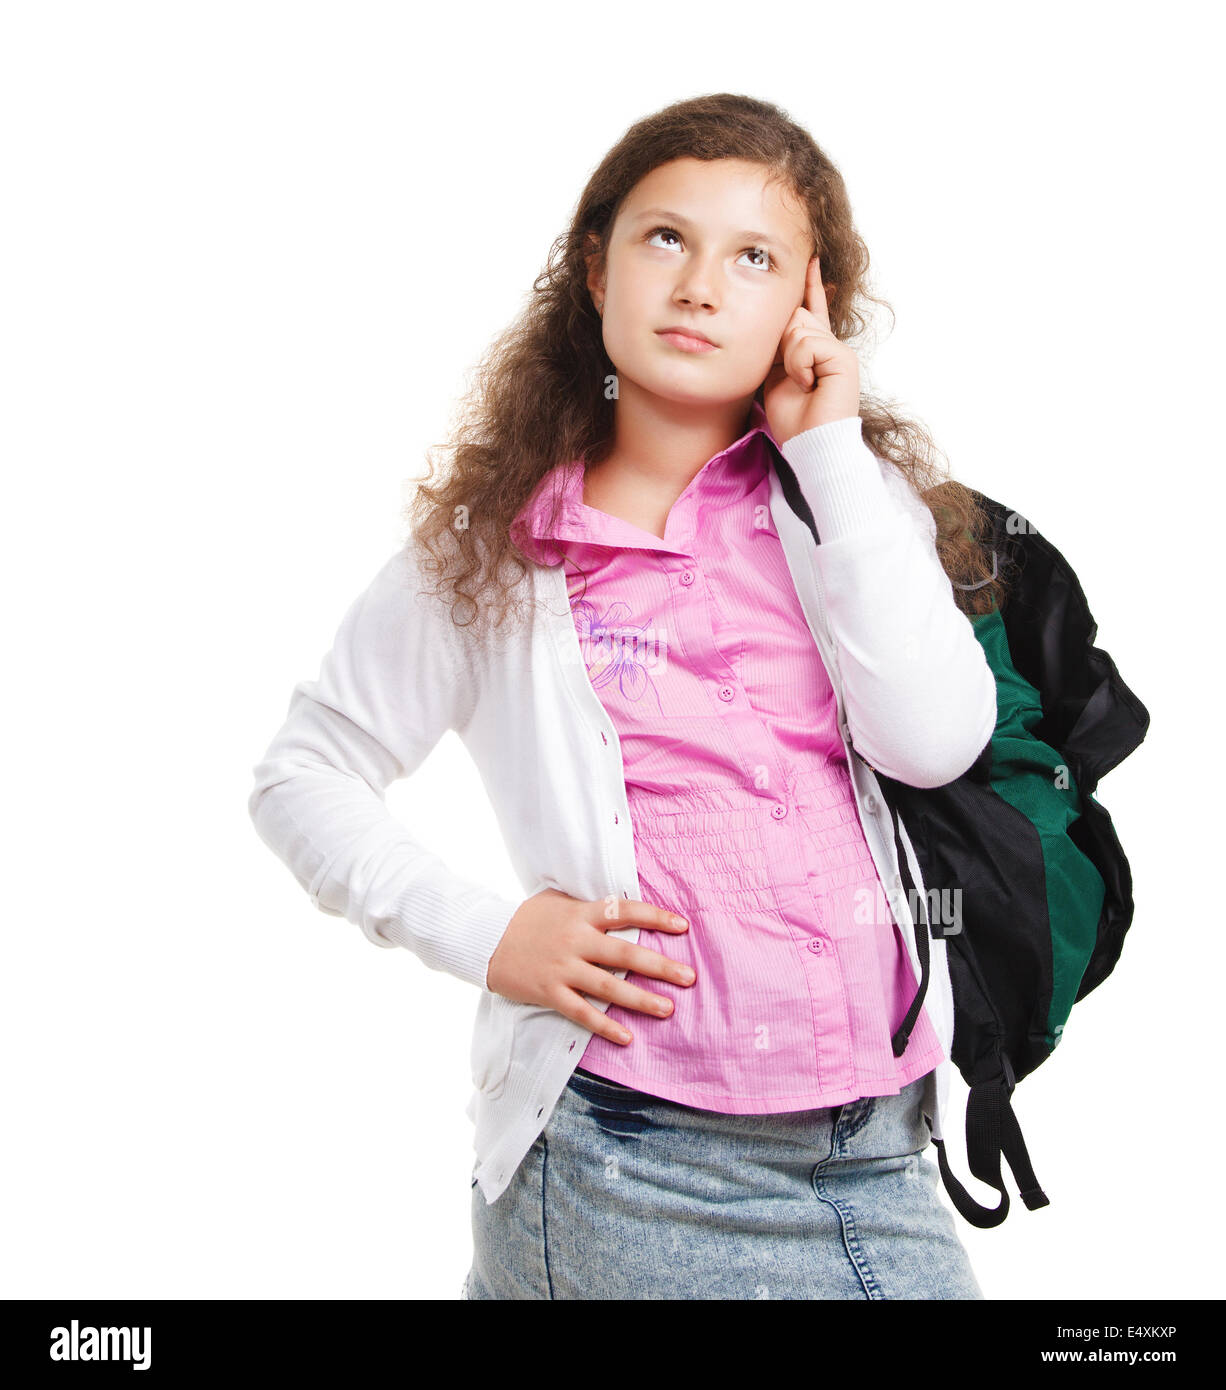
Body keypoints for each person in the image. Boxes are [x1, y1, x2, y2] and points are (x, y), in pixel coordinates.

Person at [249, 92, 1005, 1300]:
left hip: (878, 1149)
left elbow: (931, 743)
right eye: (665, 239)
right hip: (628, 1155)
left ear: (809, 306)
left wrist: (828, 453)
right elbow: (305, 771)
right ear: (593, 270)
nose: (700, 286)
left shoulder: (846, 510)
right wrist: (489, 934)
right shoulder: (496, 555)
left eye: (752, 258)